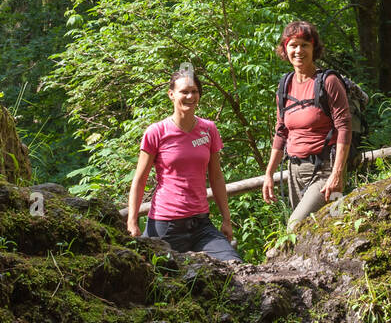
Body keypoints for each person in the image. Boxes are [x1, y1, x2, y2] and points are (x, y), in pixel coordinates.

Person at [126, 68, 242, 262]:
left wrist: (226, 219)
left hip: (201, 224)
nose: (190, 96)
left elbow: (216, 177)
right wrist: (132, 220)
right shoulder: (156, 132)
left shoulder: (209, 129)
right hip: (166, 224)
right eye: (184, 91)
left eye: (195, 91)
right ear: (171, 94)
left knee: (233, 264)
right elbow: (140, 180)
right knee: (161, 275)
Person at [261, 21, 351, 230]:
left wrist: (337, 174)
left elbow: (344, 127)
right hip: (294, 171)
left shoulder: (328, 82)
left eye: (305, 45)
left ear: (314, 48)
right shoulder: (284, 85)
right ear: (285, 48)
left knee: (296, 227)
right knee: (312, 232)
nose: (298, 50)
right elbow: (280, 131)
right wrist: (269, 174)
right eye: (293, 45)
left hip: (325, 169)